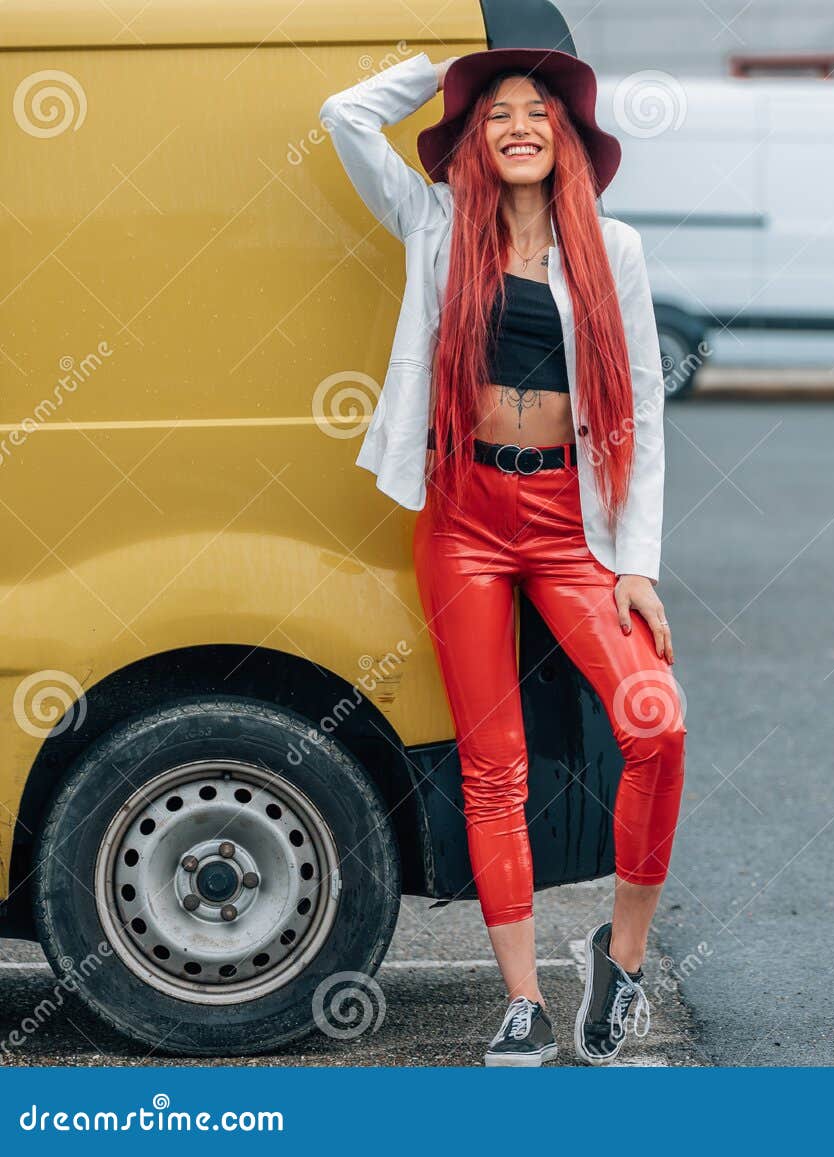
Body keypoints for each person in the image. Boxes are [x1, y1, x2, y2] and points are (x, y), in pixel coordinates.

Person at [319, 43, 686, 1067]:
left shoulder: (613, 248)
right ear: (472, 139)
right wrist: (444, 64)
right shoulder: (436, 224)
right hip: (464, 514)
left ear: (566, 136)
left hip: (574, 522)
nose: (518, 125)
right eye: (495, 114)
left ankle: (621, 955)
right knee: (494, 768)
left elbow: (644, 408)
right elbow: (344, 117)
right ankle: (521, 996)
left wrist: (638, 560)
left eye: (536, 111)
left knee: (655, 726)